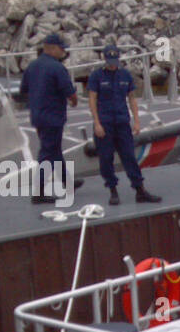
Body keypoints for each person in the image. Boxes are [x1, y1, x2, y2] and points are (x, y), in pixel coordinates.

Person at [88, 44, 161, 205]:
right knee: (106, 158)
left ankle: (139, 190)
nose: (112, 63)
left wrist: (136, 121)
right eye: (109, 60)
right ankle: (113, 190)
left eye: (115, 60)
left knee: (129, 156)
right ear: (105, 59)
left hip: (122, 122)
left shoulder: (125, 75)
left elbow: (132, 98)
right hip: (105, 123)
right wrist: (97, 123)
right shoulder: (97, 76)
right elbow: (92, 99)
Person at [18, 34, 82, 204]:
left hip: (37, 116)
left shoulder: (32, 66)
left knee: (54, 150)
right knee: (47, 153)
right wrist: (74, 101)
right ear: (52, 48)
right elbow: (70, 93)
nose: (63, 52)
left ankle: (67, 183)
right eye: (62, 49)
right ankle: (39, 192)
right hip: (53, 117)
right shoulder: (57, 68)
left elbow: (23, 89)